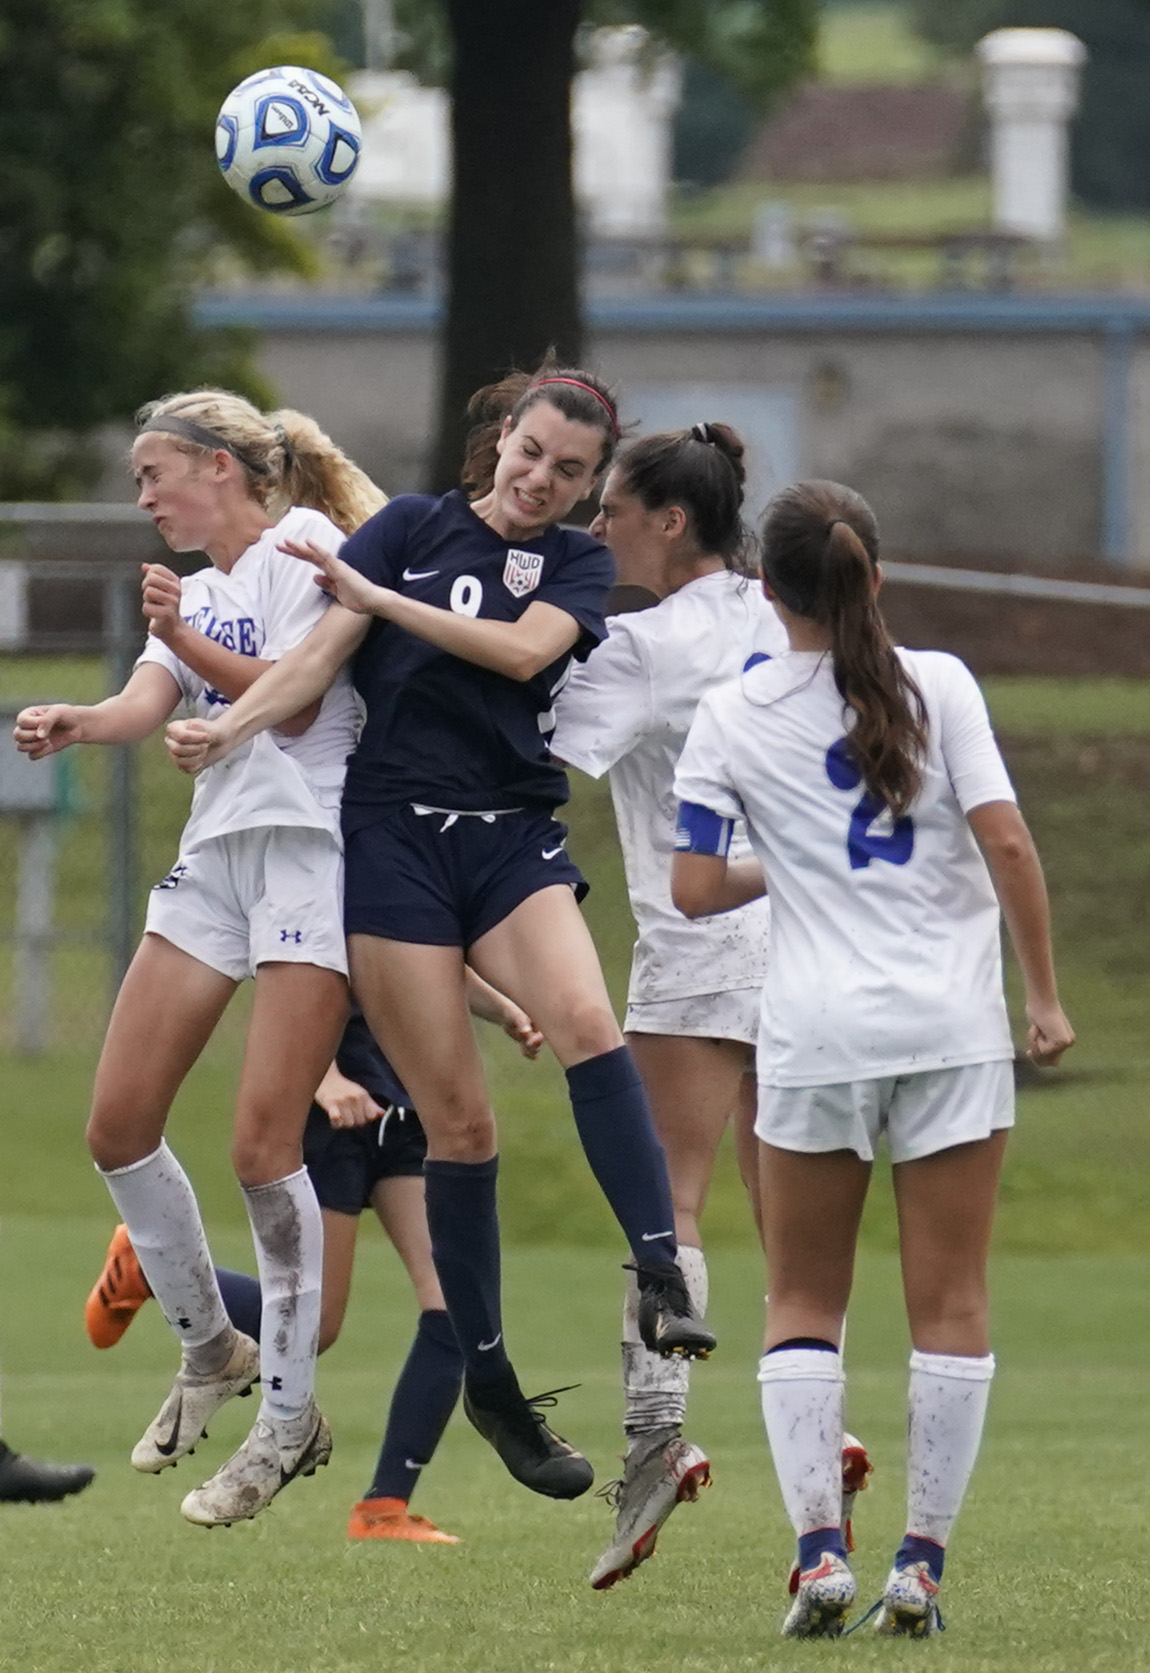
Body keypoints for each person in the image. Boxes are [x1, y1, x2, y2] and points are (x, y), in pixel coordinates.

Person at [163, 362, 714, 1505]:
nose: (542, 479)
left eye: (570, 470)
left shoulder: (575, 564)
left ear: (589, 485)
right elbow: (317, 658)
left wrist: (379, 598)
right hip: (394, 841)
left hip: (509, 835)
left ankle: (660, 1269)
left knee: (586, 1018)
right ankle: (494, 1386)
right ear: (501, 438)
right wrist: (230, 728)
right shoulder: (411, 525)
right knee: (460, 1124)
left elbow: (520, 653)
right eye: (531, 452)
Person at [670, 479, 1074, 1638]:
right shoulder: (940, 683)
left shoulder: (730, 711)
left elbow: (693, 888)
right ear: (875, 577)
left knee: (803, 1297)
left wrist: (793, 863)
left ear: (766, 589)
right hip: (951, 1029)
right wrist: (1042, 995)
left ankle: (817, 1556)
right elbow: (1005, 840)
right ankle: (921, 1564)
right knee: (949, 1298)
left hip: (813, 1034)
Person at [14, 389, 384, 1528]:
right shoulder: (197, 588)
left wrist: (181, 638)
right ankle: (211, 1347)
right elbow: (149, 698)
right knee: (116, 1123)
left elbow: (291, 701)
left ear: (220, 466)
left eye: (153, 473)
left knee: (264, 1145)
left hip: (309, 852)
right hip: (217, 856)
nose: (143, 497)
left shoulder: (304, 544)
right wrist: (82, 718)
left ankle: (288, 1418)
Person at [554, 425, 869, 1589]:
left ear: (670, 520)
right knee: (792, 1217)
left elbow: (536, 740)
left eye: (611, 510)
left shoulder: (643, 645)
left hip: (700, 938)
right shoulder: (785, 613)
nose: (596, 528)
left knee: (666, 1202)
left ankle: (655, 1439)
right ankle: (820, 1434)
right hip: (816, 933)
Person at [85, 989, 543, 1543]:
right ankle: (148, 1270)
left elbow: (431, 960)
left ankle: (384, 1508)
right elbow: (287, 966)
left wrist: (505, 1010)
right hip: (336, 1110)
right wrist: (323, 1077)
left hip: (408, 1107)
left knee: (452, 1307)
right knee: (317, 1326)